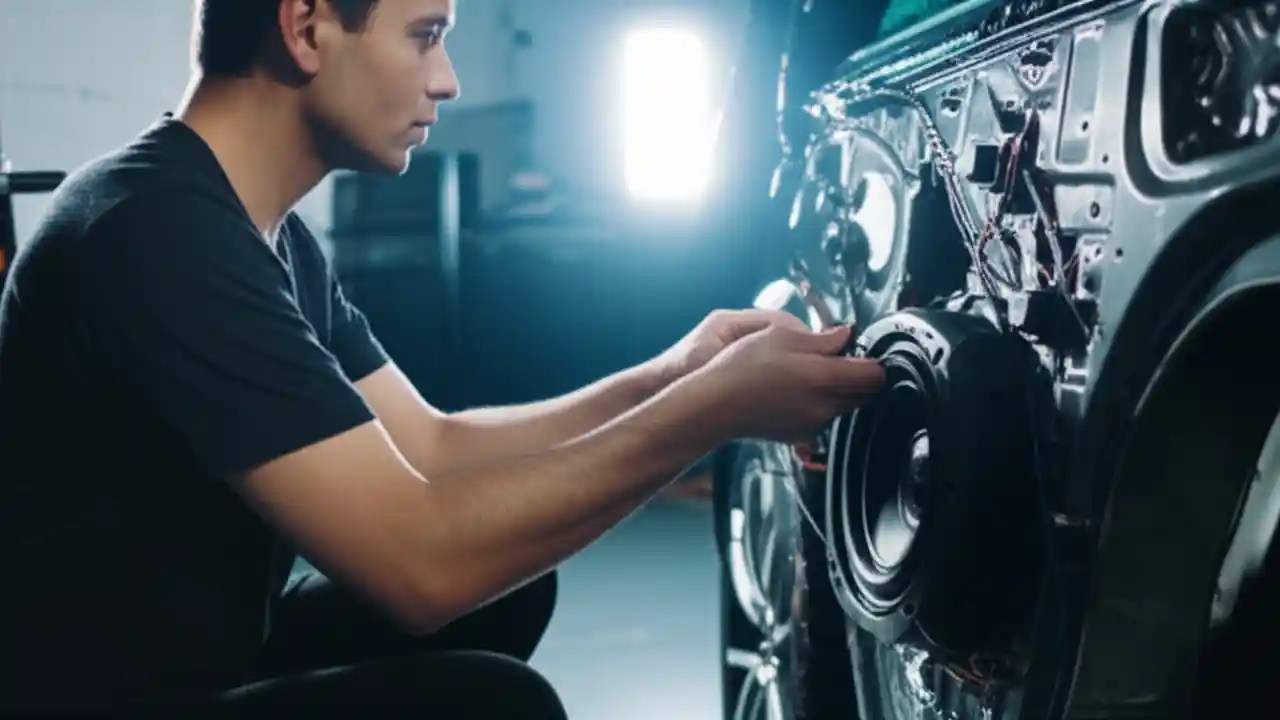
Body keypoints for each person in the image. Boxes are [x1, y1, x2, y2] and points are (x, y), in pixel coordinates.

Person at [0, 0, 885, 716]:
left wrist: (678, 371)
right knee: (494, 702)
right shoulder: (157, 232)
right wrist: (714, 412)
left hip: (200, 656)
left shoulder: (257, 233)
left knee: (507, 591)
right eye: (425, 36)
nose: (449, 80)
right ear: (305, 27)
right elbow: (420, 568)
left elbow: (433, 445)